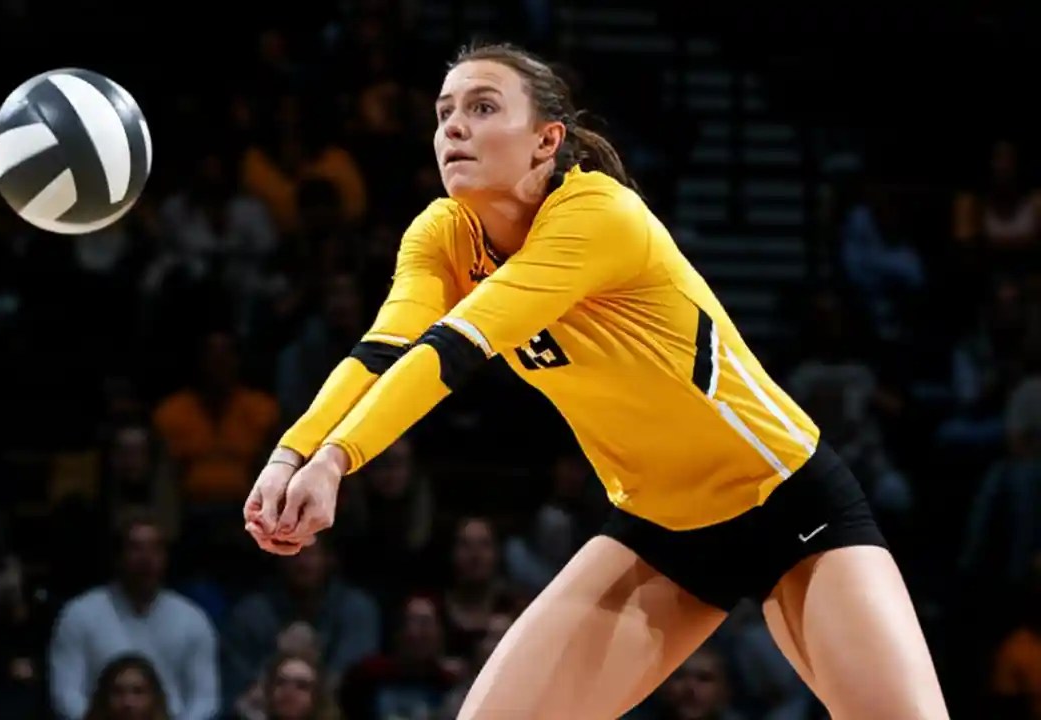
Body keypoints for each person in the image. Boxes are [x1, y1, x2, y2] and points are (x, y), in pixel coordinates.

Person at [243, 41, 949, 719]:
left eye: (484, 107)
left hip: (790, 506)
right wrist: (290, 455)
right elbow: (383, 352)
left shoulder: (597, 215)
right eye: (443, 111)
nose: (454, 124)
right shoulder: (440, 234)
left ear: (547, 141)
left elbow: (454, 350)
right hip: (659, 529)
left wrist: (337, 460)